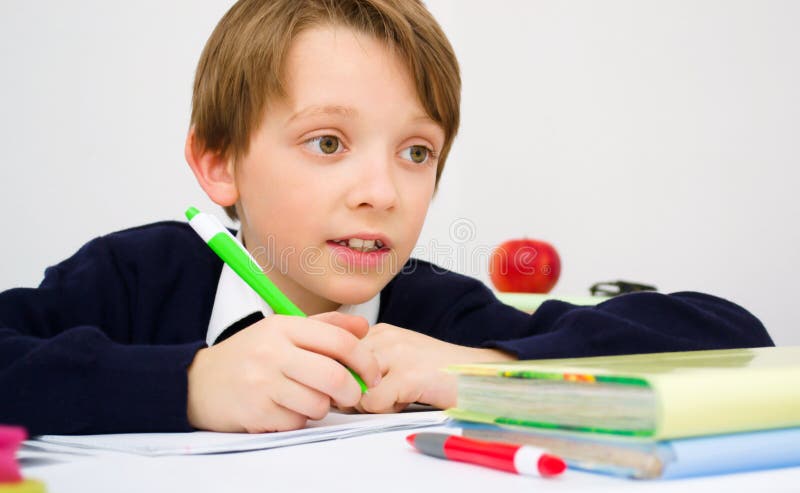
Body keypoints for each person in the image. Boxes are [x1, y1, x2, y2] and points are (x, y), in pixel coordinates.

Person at [0, 0, 773, 436]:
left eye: (415, 152)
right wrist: (191, 383)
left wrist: (488, 367)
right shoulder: (135, 276)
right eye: (328, 142)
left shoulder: (436, 310)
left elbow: (733, 337)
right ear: (218, 163)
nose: (383, 190)